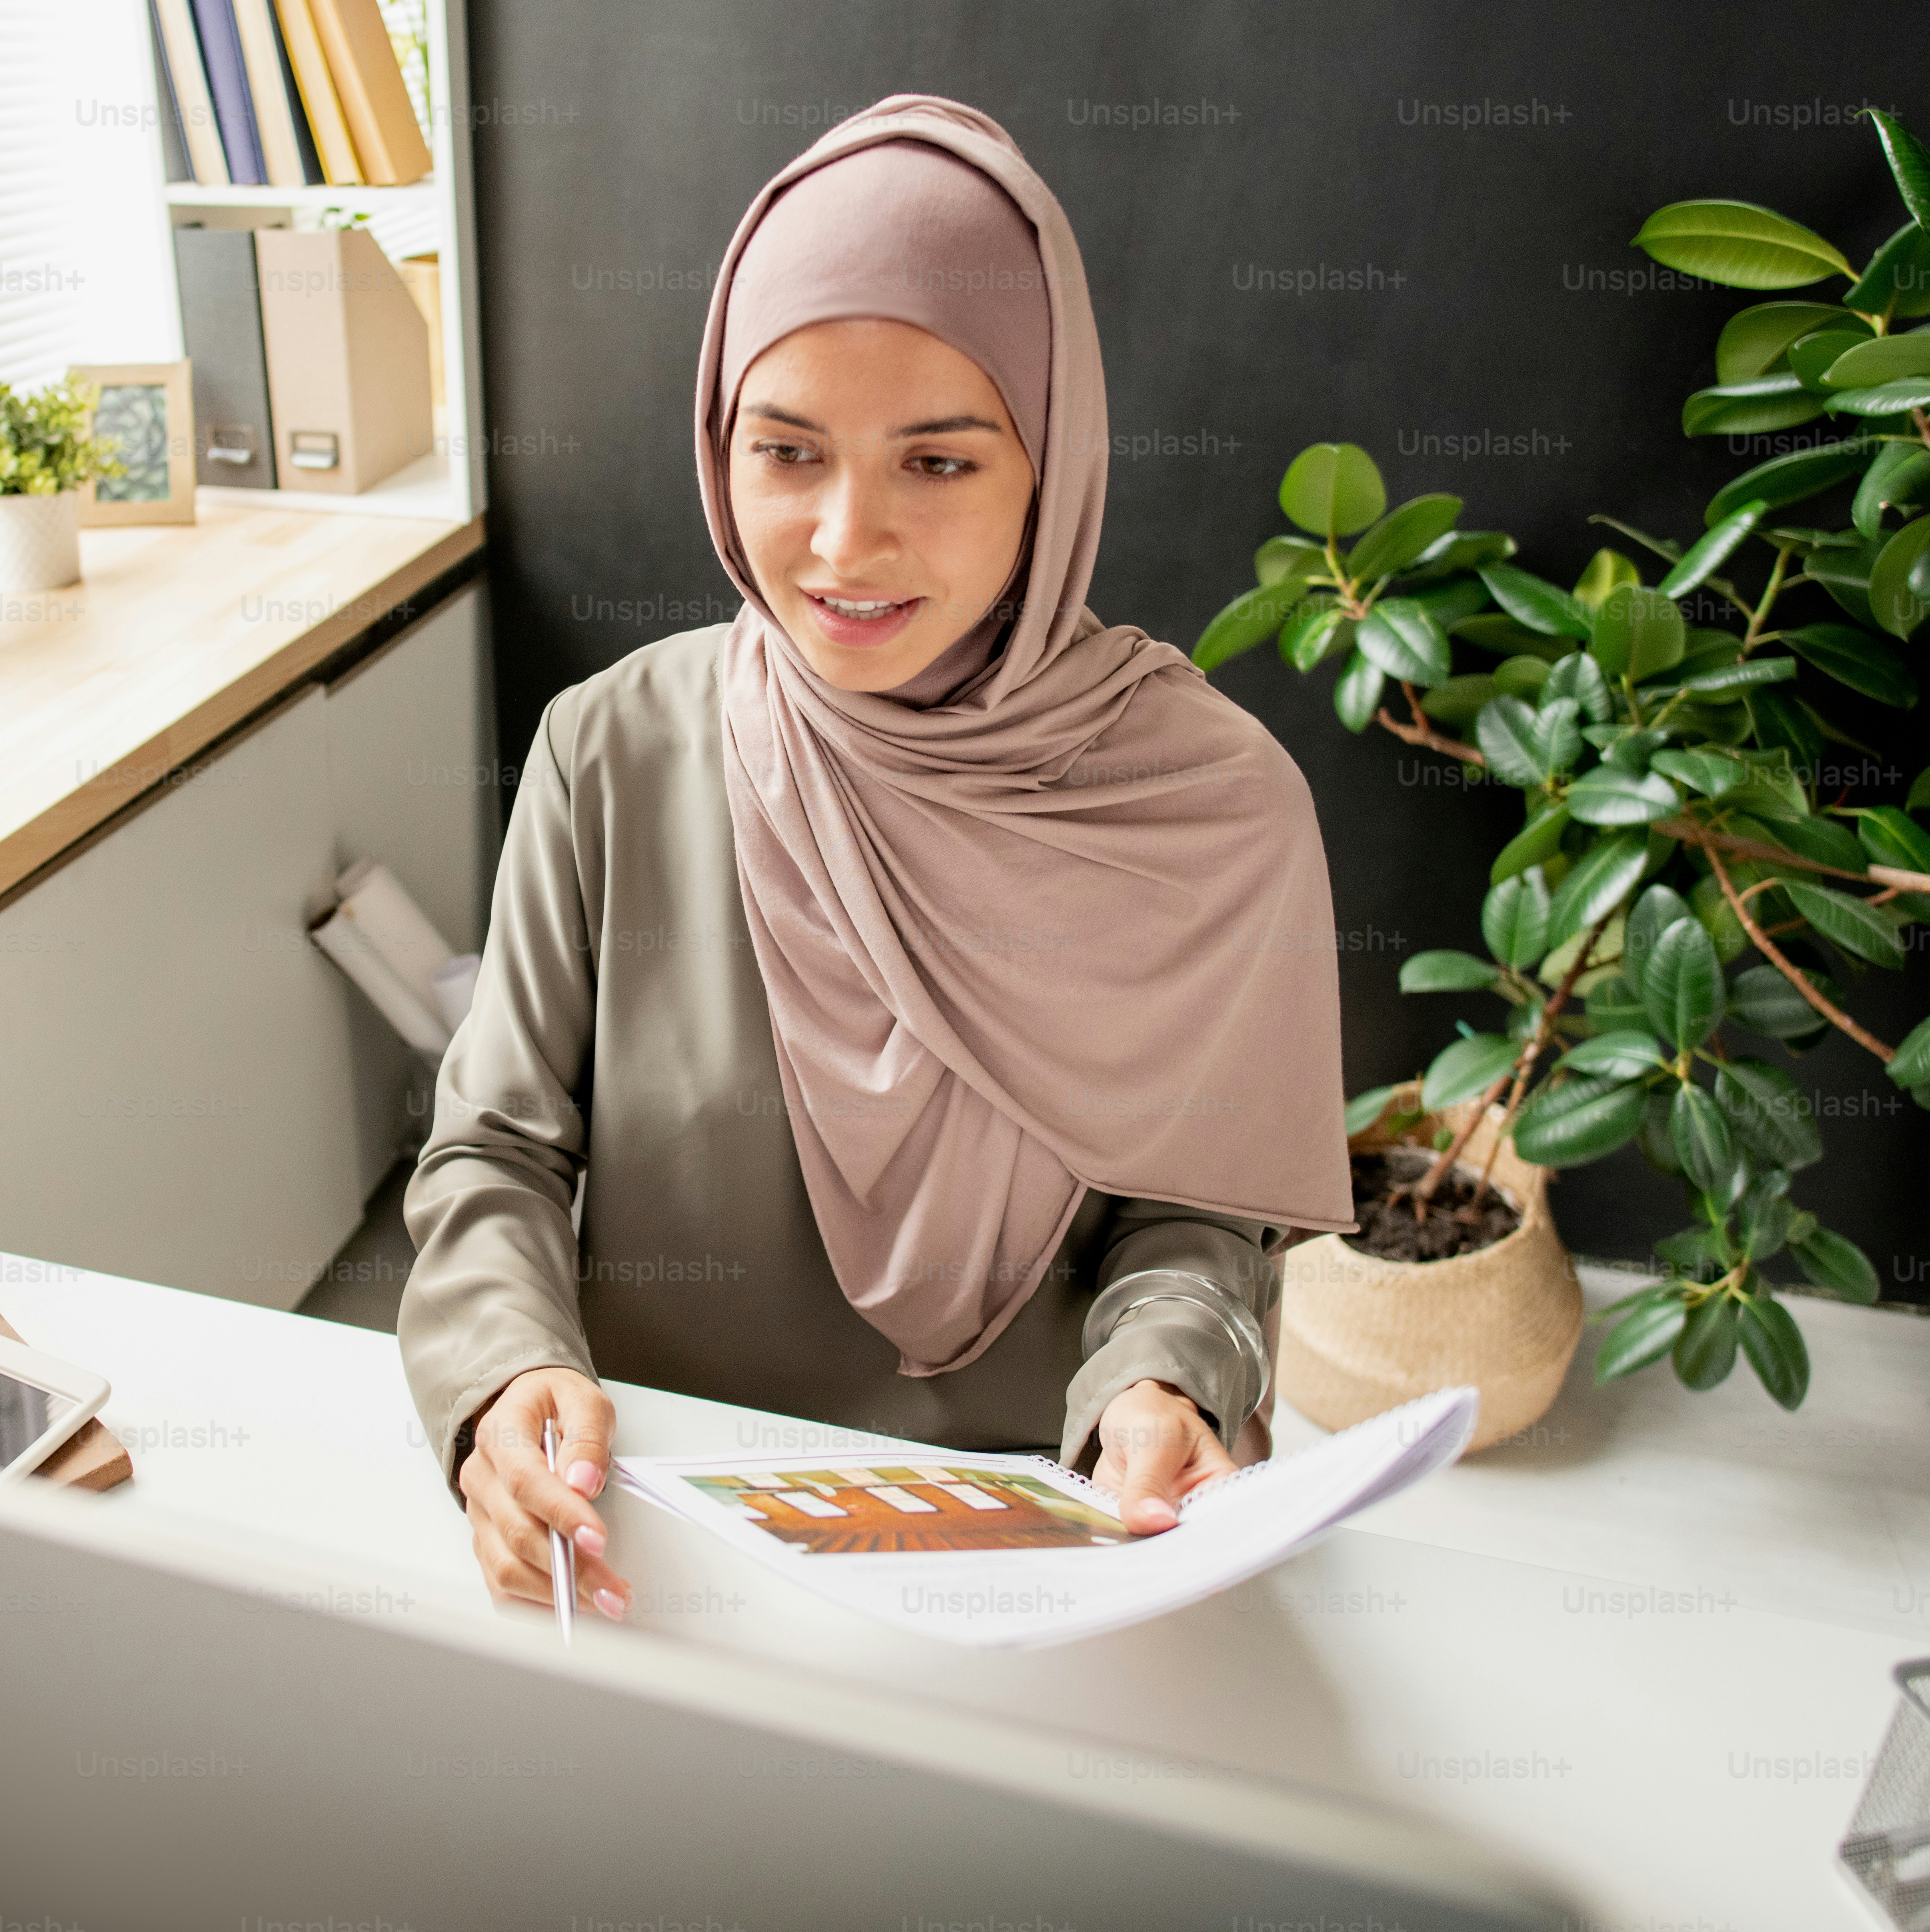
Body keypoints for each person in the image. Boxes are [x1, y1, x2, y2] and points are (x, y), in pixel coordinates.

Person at [396, 95, 1354, 1620]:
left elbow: (1201, 1215)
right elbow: (496, 1152)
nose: (845, 543)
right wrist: (502, 1376)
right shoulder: (613, 752)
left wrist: (1160, 1389)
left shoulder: (1205, 809)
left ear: (1052, 461)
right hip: (662, 1552)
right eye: (787, 452)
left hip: (1049, 1557)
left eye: (940, 464)